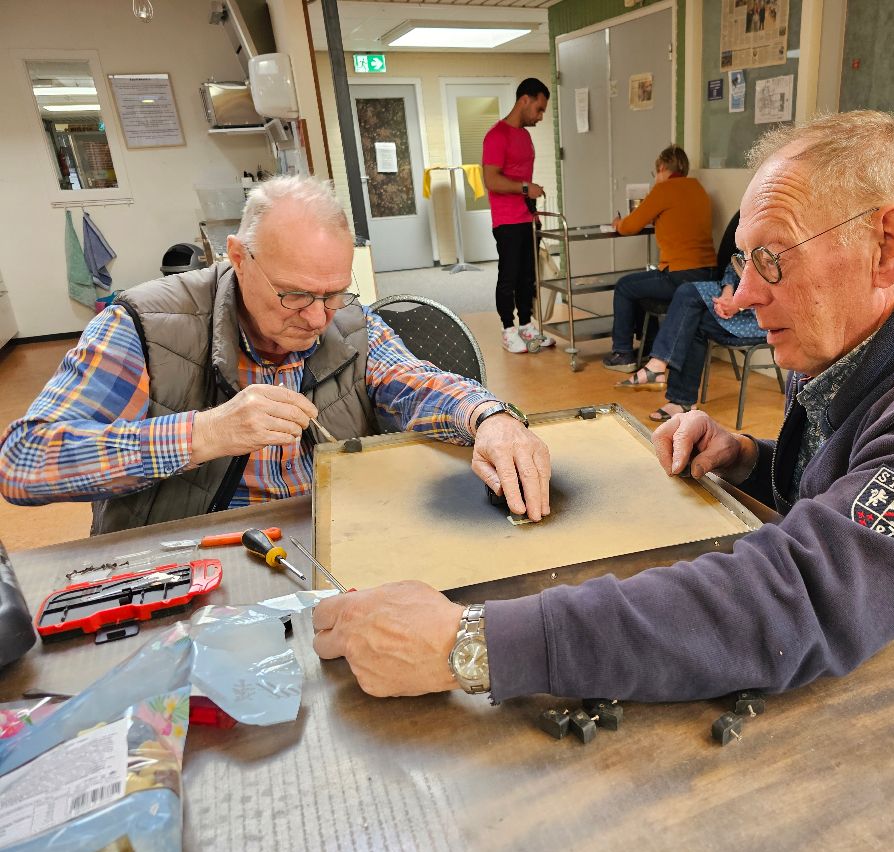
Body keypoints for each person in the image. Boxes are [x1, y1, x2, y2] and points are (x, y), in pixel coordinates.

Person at [310, 111, 894, 705]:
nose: (743, 293)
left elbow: (790, 598)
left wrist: (473, 641)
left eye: (771, 258)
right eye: (740, 260)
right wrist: (752, 460)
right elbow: (864, 500)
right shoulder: (864, 338)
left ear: (888, 245)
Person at [0, 176, 551, 533]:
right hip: (199, 557)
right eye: (294, 295)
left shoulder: (349, 321)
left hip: (329, 536)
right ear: (238, 258)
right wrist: (204, 434)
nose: (317, 318)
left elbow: (416, 382)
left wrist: (491, 416)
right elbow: (24, 462)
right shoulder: (144, 327)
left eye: (334, 293)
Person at [615, 213, 770, 422]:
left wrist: (739, 304)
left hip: (757, 320)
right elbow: (734, 267)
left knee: (688, 294)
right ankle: (681, 400)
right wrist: (727, 291)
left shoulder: (778, 242)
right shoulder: (752, 229)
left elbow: (776, 291)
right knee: (693, 315)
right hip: (732, 307)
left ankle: (661, 370)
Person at [602, 145, 718, 373]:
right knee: (643, 285)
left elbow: (630, 225)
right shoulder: (698, 188)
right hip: (708, 273)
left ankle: (623, 352)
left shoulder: (664, 190)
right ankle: (648, 348)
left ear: (662, 168)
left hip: (680, 275)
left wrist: (617, 223)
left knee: (626, 286)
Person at [482, 78, 555, 355]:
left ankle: (527, 325)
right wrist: (526, 187)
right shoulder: (496, 136)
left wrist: (531, 202)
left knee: (528, 277)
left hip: (527, 219)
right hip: (507, 221)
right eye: (539, 109)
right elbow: (491, 180)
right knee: (509, 276)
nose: (540, 116)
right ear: (524, 100)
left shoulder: (525, 136)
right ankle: (508, 328)